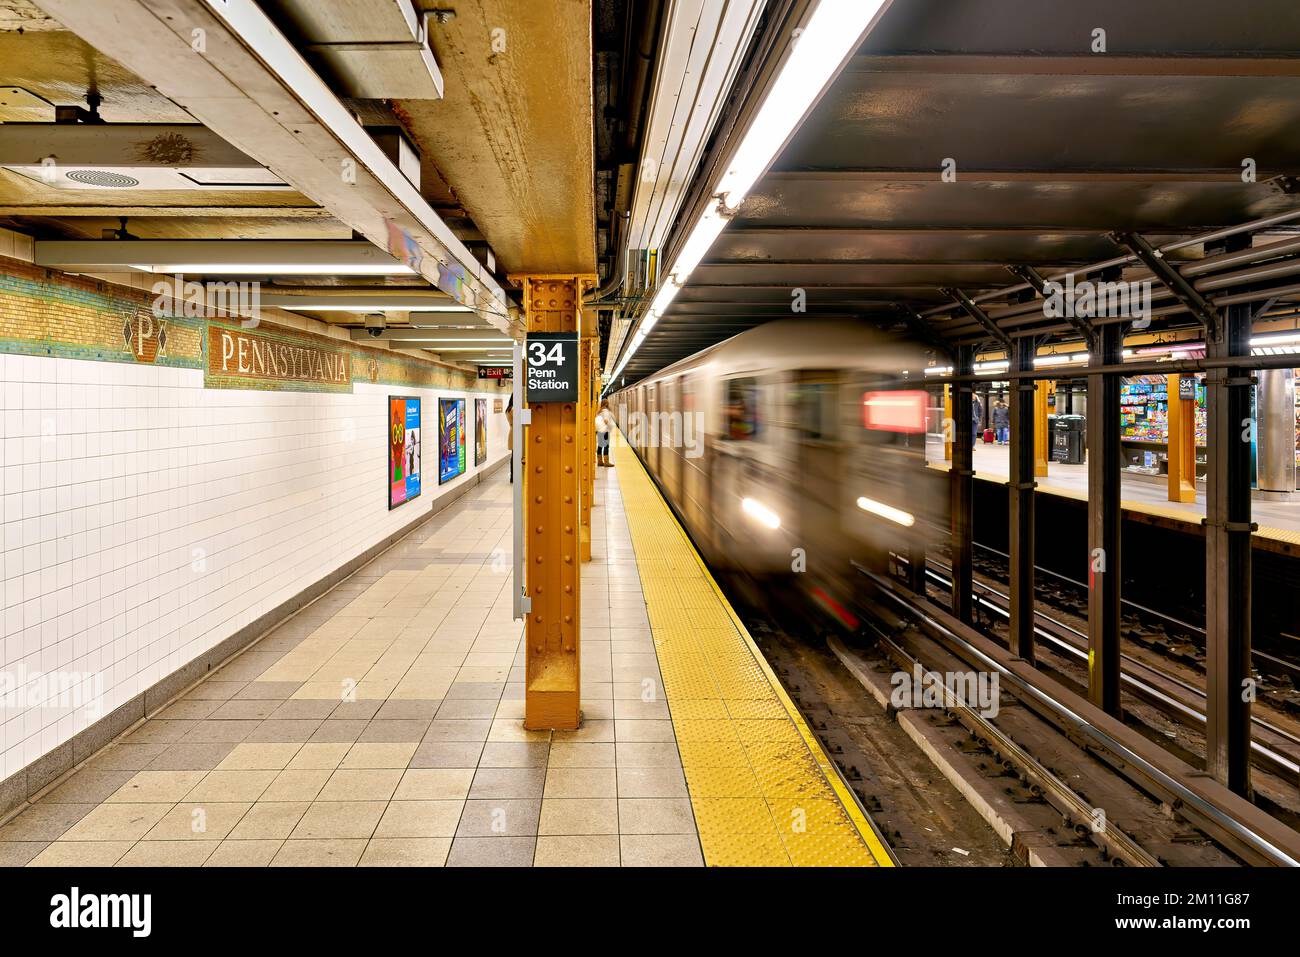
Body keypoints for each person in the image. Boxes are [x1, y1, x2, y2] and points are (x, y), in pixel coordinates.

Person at [595, 402, 615, 468]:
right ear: (606, 404)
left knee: (600, 446)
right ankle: (606, 462)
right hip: (605, 430)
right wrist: (610, 426)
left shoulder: (599, 412)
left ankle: (600, 462)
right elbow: (606, 421)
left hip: (599, 430)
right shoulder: (606, 411)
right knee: (606, 446)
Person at [506, 395, 514, 483]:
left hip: (512, 432)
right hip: (516, 433)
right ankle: (513, 476)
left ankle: (512, 476)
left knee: (513, 455)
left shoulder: (508, 409)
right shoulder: (514, 409)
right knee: (515, 456)